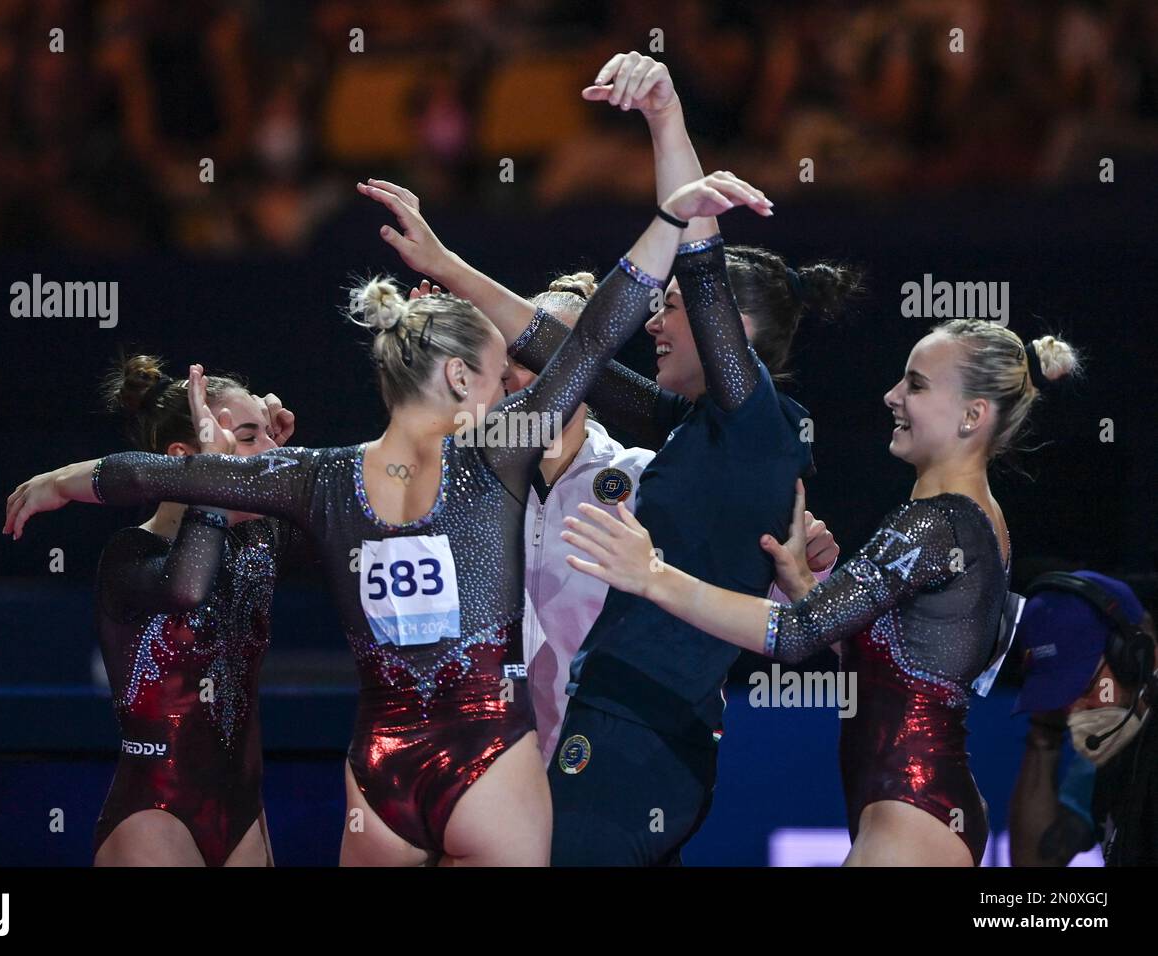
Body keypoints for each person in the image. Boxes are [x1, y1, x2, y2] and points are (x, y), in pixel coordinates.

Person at [4, 171, 756, 865]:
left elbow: (174, 472)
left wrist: (68, 480)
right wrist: (669, 219)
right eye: (499, 379)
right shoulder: (496, 453)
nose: (506, 397)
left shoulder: (320, 476)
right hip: (488, 754)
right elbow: (596, 339)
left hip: (380, 772)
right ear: (462, 377)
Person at [361, 52, 855, 865]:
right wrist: (447, 266)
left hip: (643, 735)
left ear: (736, 337)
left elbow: (698, 264)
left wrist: (666, 116)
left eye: (668, 312)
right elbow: (571, 352)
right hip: (621, 719)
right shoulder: (697, 426)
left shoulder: (755, 422)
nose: (655, 325)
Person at [564, 320, 1080, 865]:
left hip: (910, 816)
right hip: (922, 807)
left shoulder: (935, 524)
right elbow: (904, 660)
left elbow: (791, 635)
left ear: (972, 416)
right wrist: (806, 585)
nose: (892, 396)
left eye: (917, 385)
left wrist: (652, 575)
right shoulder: (973, 517)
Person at [92, 356, 298, 867]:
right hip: (155, 814)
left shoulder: (257, 539)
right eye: (248, 438)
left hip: (242, 811)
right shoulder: (129, 554)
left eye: (266, 437)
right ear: (183, 455)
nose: (268, 453)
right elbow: (186, 587)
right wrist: (215, 480)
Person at [1009, 570, 1158, 866]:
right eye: (1062, 697)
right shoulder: (1113, 741)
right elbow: (1035, 863)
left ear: (1131, 654)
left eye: (1083, 686)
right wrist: (1045, 727)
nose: (1073, 710)